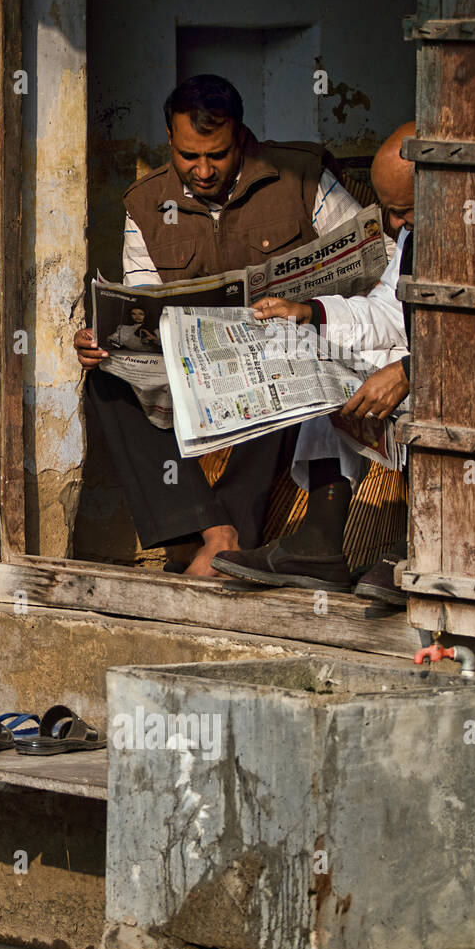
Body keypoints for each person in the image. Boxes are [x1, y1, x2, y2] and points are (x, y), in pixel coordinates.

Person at [73, 74, 363, 575]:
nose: (203, 170)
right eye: (189, 156)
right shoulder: (145, 204)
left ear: (242, 138)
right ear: (169, 141)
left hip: (287, 355)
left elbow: (369, 268)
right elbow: (142, 301)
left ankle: (225, 540)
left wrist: (308, 308)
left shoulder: (302, 175)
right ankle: (212, 529)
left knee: (276, 356)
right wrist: (109, 343)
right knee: (106, 379)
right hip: (196, 366)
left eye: (218, 154)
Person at [212, 123, 416, 598]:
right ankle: (320, 541)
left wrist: (410, 372)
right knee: (326, 360)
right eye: (391, 213)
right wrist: (310, 313)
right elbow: (391, 309)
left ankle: (426, 546)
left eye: (404, 210)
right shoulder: (415, 233)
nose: (397, 224)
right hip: (425, 354)